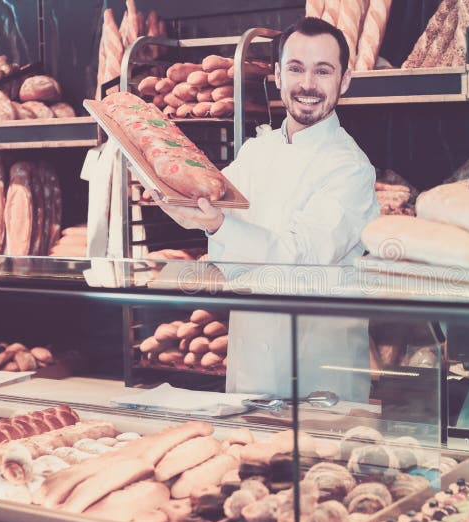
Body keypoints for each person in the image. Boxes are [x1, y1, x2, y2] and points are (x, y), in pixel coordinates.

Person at [157, 17, 379, 402]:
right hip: (251, 366)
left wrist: (217, 225)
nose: (307, 84)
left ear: (344, 80)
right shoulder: (256, 152)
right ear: (277, 75)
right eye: (295, 68)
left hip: (318, 371)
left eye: (322, 71)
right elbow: (222, 242)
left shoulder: (351, 168)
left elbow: (300, 259)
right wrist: (169, 188)